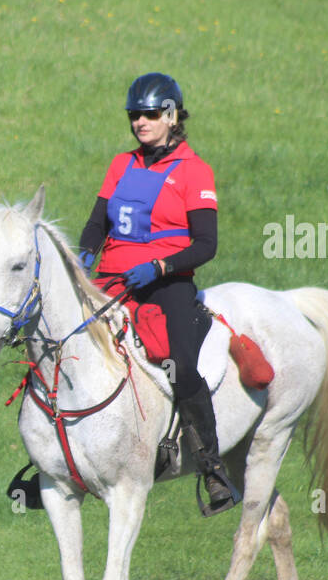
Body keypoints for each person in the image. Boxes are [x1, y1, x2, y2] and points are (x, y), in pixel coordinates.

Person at [78, 72, 239, 515]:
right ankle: (56, 457)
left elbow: (206, 244)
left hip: (165, 281)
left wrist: (160, 266)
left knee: (181, 363)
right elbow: (97, 223)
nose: (140, 122)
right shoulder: (120, 164)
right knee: (64, 340)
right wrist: (84, 256)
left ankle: (212, 470)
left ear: (171, 116)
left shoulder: (194, 171)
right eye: (134, 114)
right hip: (112, 278)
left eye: (149, 114)